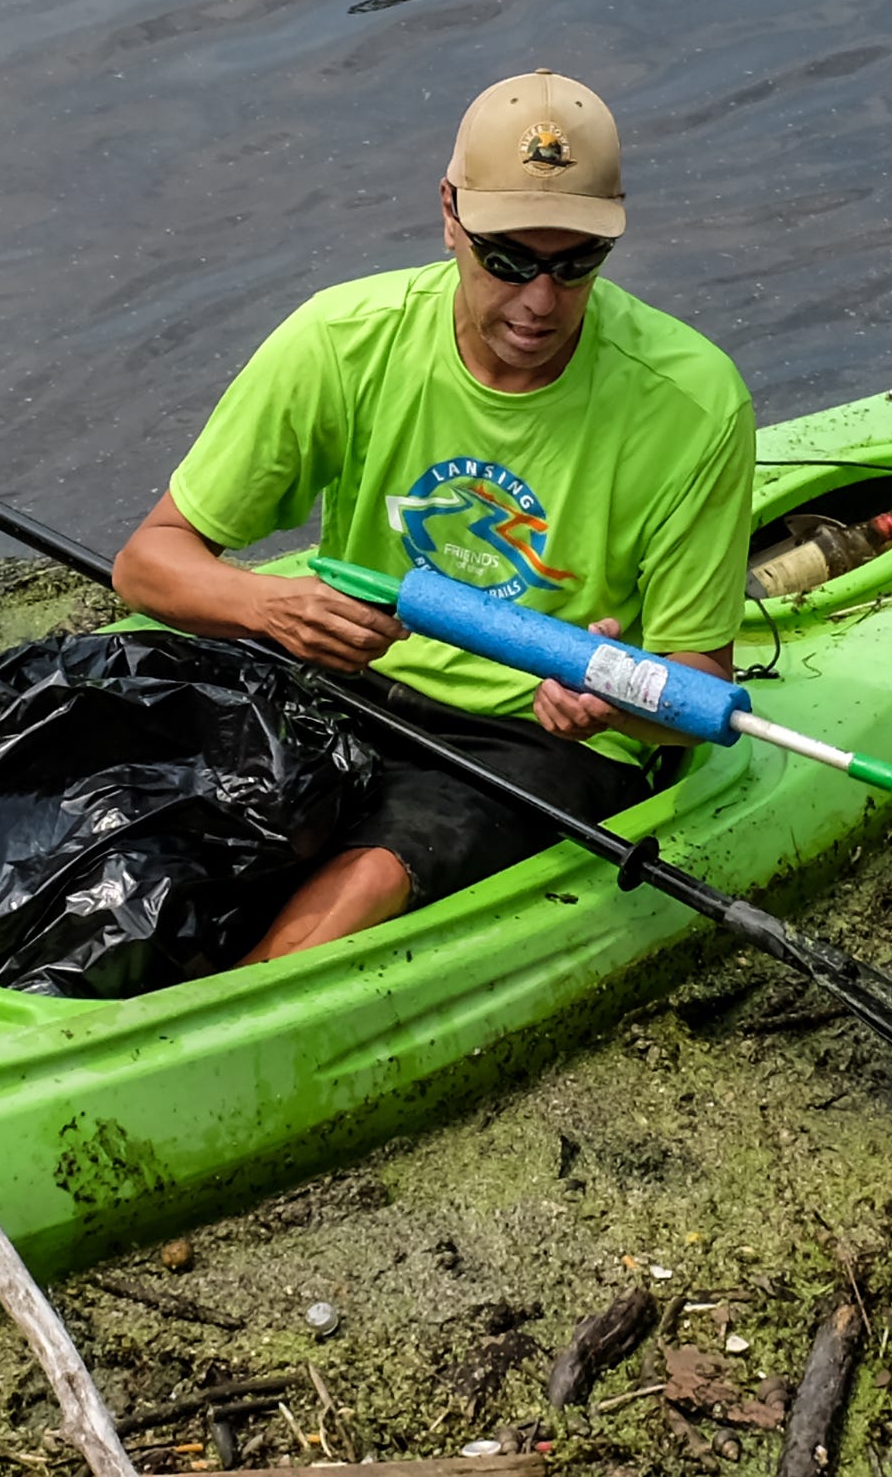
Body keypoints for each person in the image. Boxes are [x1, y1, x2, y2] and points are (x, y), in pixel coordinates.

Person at [112, 68, 757, 962]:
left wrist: (611, 703)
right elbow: (149, 563)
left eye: (575, 263)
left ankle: (221, 1020)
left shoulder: (694, 402)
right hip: (342, 682)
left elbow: (694, 685)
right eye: (506, 258)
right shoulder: (341, 340)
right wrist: (269, 606)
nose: (540, 300)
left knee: (368, 881)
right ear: (448, 214)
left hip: (531, 733)